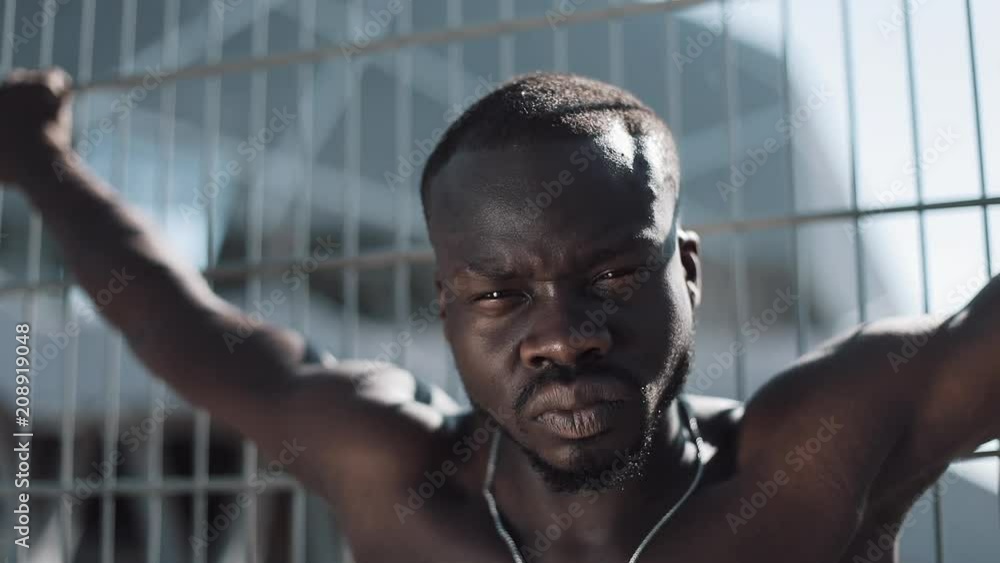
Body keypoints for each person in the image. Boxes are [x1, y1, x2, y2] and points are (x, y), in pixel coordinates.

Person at [0, 68, 996, 563]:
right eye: (498, 293)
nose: (563, 335)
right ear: (445, 307)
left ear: (684, 271)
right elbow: (180, 329)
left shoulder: (804, 465)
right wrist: (39, 162)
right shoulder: (398, 477)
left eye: (610, 274)